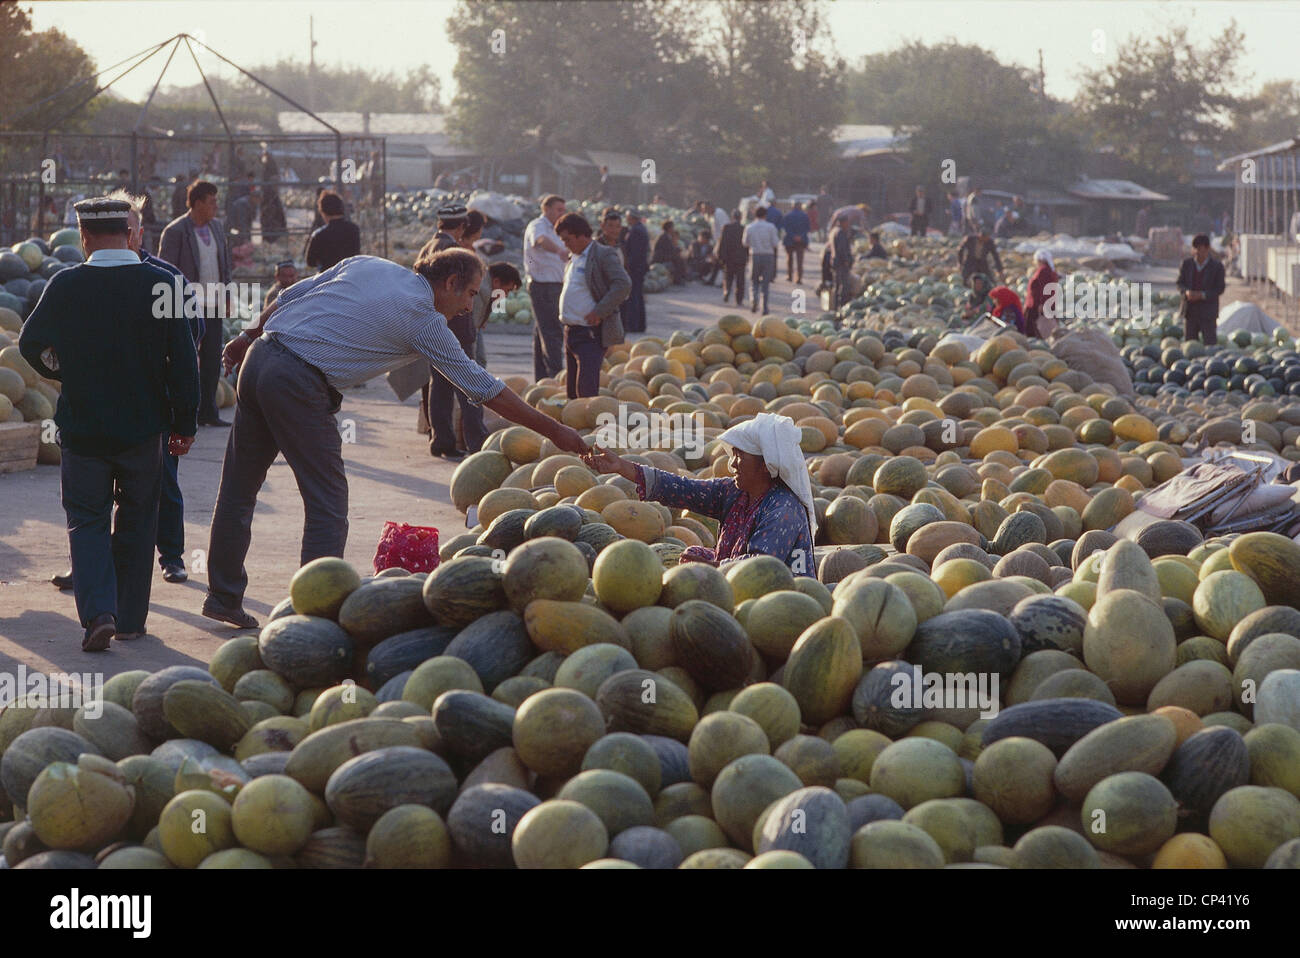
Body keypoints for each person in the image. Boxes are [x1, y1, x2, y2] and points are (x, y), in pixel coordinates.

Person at [207, 249, 590, 628]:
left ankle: (223, 597)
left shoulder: (368, 264)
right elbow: (484, 387)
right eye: (472, 293)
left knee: (238, 489)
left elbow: (290, 296)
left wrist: (245, 336)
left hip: (259, 359)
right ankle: (313, 616)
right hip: (298, 382)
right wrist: (555, 430)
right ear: (450, 282)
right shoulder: (423, 319)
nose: (470, 305)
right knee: (328, 503)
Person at [19, 198, 199, 650]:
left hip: (83, 430)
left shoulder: (65, 284)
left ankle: (99, 613)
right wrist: (185, 422)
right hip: (144, 430)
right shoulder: (163, 284)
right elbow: (185, 362)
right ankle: (133, 620)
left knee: (87, 520)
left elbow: (30, 343)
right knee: (139, 519)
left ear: (83, 237)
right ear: (130, 233)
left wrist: (64, 369)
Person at [583, 412, 816, 576]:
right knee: (691, 555)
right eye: (732, 454)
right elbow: (682, 489)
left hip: (777, 600)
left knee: (697, 565)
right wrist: (622, 467)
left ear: (767, 465)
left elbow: (761, 568)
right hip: (740, 579)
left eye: (740, 456)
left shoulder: (783, 509)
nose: (732, 463)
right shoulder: (734, 492)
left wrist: (712, 568)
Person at [159, 180, 234, 427]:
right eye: (211, 201)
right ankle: (182, 412)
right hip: (187, 304)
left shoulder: (217, 228)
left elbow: (225, 266)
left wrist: (227, 295)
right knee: (184, 357)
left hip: (212, 301)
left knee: (212, 356)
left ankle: (208, 412)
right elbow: (165, 272)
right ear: (198, 203)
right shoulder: (176, 231)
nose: (216, 206)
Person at [555, 212, 630, 399]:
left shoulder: (603, 254)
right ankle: (574, 427)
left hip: (590, 332)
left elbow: (623, 284)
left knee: (586, 390)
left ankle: (589, 426)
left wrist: (600, 311)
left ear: (582, 235)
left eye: (568, 239)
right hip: (571, 331)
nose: (565, 244)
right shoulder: (574, 256)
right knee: (572, 390)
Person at [523, 194, 569, 380]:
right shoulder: (538, 225)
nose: (561, 214)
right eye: (558, 210)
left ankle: (542, 379)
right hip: (544, 286)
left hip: (555, 285)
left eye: (563, 211)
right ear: (546, 209)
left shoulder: (557, 229)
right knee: (552, 334)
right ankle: (554, 378)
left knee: (542, 333)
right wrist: (559, 251)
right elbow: (540, 240)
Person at [1177, 234, 1226, 346]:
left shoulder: (1217, 267)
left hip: (1208, 313)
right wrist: (1186, 292)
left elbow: (1220, 288)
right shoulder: (1186, 264)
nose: (1198, 253)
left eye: (1201, 249)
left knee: (1210, 344)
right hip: (1190, 311)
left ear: (1208, 249)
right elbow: (1180, 283)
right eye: (1196, 249)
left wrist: (1202, 295)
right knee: (1189, 345)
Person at [473, 262, 523, 368]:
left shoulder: (487, 290)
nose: (506, 295)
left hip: (473, 330)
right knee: (476, 361)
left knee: (480, 361)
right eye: (507, 290)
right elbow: (469, 333)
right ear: (496, 282)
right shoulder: (480, 293)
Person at [305, 190, 361, 272]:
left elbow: (310, 262)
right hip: (349, 275)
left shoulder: (319, 234)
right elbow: (356, 254)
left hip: (328, 278)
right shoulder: (354, 229)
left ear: (323, 212)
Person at [743, 207, 780, 315]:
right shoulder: (771, 227)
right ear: (765, 215)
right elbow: (775, 243)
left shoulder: (749, 227)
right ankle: (764, 307)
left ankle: (754, 300)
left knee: (754, 280)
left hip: (755, 255)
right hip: (768, 255)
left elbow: (745, 243)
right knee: (766, 282)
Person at [621, 208, 649, 334]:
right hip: (639, 267)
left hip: (635, 268)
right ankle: (639, 324)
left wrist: (628, 266)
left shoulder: (636, 231)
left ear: (631, 218)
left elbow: (635, 253)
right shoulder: (639, 229)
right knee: (637, 295)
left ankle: (634, 325)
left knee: (634, 297)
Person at [716, 209, 748, 307]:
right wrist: (747, 257)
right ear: (741, 218)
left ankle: (726, 291)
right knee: (740, 280)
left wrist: (720, 255)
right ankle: (739, 300)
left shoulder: (726, 228)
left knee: (728, 276)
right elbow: (746, 244)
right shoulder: (744, 228)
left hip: (729, 257)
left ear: (732, 217)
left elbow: (722, 243)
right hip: (740, 258)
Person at [1023, 249, 1058, 338]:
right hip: (1036, 305)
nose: (1035, 262)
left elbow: (1045, 289)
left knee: (1035, 331)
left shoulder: (1044, 271)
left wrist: (1043, 304)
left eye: (1036, 260)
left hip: (1037, 306)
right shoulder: (1046, 270)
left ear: (1040, 260)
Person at [827, 214, 855, 309]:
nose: (848, 224)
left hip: (836, 261)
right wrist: (847, 261)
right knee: (843, 286)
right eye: (847, 222)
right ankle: (840, 306)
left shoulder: (834, 231)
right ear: (843, 222)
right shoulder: (840, 233)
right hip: (841, 263)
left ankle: (835, 306)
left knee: (837, 285)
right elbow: (842, 249)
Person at [782, 201, 811, 284]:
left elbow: (786, 228)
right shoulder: (805, 216)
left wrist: (793, 236)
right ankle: (799, 278)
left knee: (789, 259)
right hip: (801, 241)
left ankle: (789, 276)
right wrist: (800, 236)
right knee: (800, 260)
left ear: (792, 207)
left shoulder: (788, 215)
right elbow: (807, 228)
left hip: (789, 240)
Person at [652, 221, 687, 285]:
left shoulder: (666, 236)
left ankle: (680, 278)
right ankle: (678, 279)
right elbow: (670, 249)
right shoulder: (664, 237)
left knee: (679, 259)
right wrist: (678, 250)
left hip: (664, 255)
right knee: (679, 260)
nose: (673, 229)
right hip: (660, 258)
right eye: (672, 227)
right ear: (669, 228)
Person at [226, 180, 258, 245]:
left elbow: (251, 219)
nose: (258, 202)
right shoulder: (243, 204)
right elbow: (241, 222)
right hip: (233, 228)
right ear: (254, 197)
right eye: (258, 200)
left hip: (238, 229)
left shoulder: (251, 204)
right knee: (236, 245)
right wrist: (245, 238)